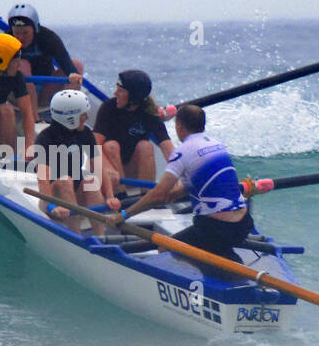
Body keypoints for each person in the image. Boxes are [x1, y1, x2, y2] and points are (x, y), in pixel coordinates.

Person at [106, 104, 255, 264]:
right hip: (244, 224)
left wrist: (123, 215)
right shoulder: (216, 144)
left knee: (164, 248)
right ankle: (221, 261)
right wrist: (179, 192)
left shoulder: (183, 151)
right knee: (205, 243)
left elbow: (158, 195)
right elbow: (209, 181)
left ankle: (225, 272)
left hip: (216, 228)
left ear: (179, 126)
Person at [35, 89, 120, 231]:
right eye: (83, 114)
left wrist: (110, 196)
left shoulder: (85, 133)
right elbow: (42, 180)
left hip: (74, 194)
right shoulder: (45, 139)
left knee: (90, 180)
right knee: (65, 180)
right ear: (70, 117)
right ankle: (76, 235)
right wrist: (52, 205)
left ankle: (100, 236)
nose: (87, 117)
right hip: (52, 198)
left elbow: (98, 168)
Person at [92, 69, 174, 186]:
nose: (115, 94)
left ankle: (147, 196)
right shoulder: (108, 108)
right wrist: (107, 167)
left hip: (130, 171)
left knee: (145, 146)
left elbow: (169, 150)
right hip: (106, 173)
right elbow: (92, 145)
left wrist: (183, 176)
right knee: (111, 146)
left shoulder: (150, 113)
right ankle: (120, 196)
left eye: (120, 91)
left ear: (133, 98)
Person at [6, 3, 83, 115]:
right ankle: (34, 118)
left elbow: (68, 65)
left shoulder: (48, 37)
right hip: (17, 94)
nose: (20, 38)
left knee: (77, 65)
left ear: (35, 29)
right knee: (22, 64)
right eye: (16, 33)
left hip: (45, 92)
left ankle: (67, 116)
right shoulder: (5, 40)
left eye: (25, 33)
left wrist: (73, 74)